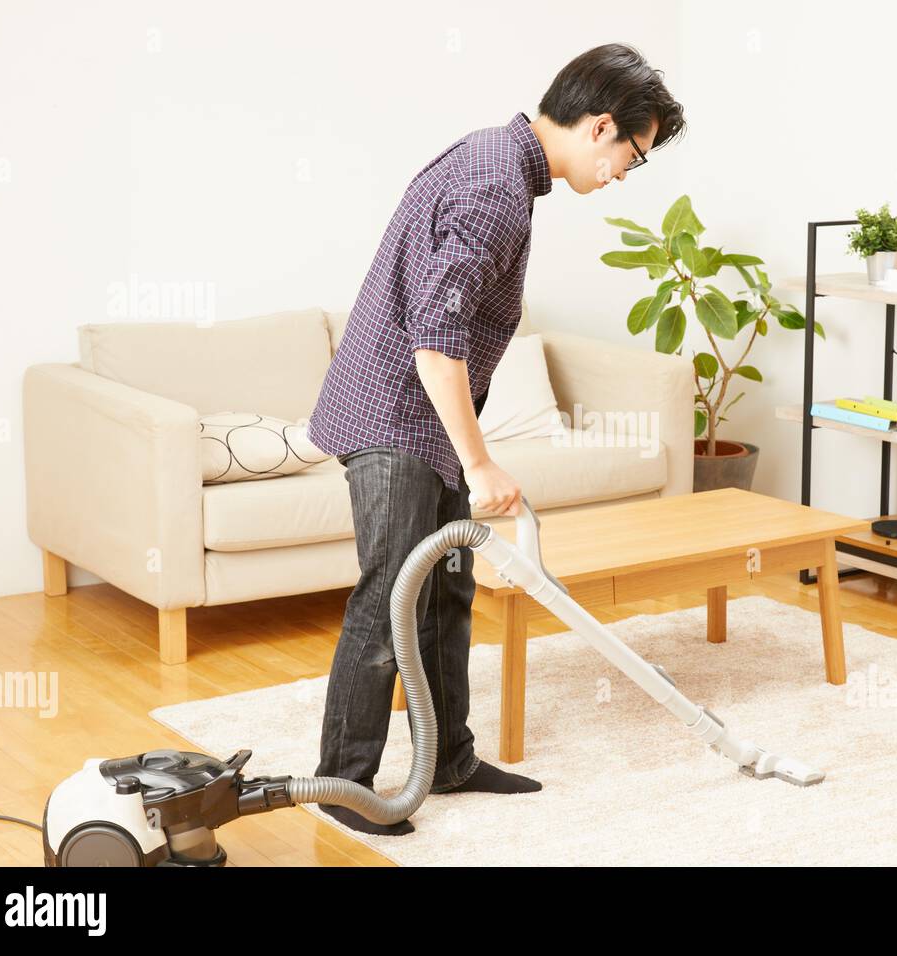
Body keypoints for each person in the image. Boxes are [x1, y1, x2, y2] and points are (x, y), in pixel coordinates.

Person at [303, 44, 687, 835]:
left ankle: (447, 760)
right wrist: (480, 462)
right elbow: (437, 340)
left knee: (444, 588)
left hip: (423, 420)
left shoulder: (495, 160)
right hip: (396, 419)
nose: (622, 174)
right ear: (601, 125)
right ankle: (345, 787)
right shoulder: (495, 188)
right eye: (632, 157)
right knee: (389, 601)